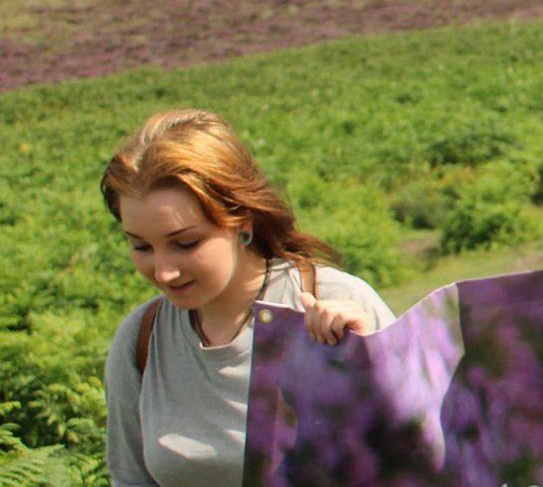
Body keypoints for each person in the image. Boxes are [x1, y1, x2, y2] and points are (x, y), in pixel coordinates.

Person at [102, 109, 396, 487]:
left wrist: (374, 358)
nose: (163, 272)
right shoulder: (141, 340)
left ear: (242, 224)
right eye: (141, 246)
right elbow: (130, 479)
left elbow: (429, 455)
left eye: (185, 243)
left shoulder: (340, 303)